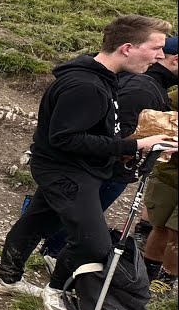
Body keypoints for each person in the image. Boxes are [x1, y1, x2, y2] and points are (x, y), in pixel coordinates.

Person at [0, 15, 177, 310]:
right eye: (156, 48)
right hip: (67, 172)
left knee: (36, 222)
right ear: (128, 48)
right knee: (94, 243)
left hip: (72, 169)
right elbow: (65, 138)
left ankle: (6, 279)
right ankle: (56, 292)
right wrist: (134, 147)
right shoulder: (86, 85)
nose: (160, 56)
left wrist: (139, 143)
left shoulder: (102, 77)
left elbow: (92, 131)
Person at [39, 32, 179, 263]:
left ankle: (49, 250)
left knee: (62, 214)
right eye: (155, 50)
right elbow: (119, 130)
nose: (156, 56)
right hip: (109, 167)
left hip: (96, 164)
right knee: (80, 221)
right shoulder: (144, 89)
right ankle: (54, 256)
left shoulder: (141, 81)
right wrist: (131, 154)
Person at [143, 84, 179, 291]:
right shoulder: (174, 97)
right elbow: (158, 112)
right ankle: (146, 278)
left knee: (176, 234)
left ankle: (164, 284)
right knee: (160, 227)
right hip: (169, 174)